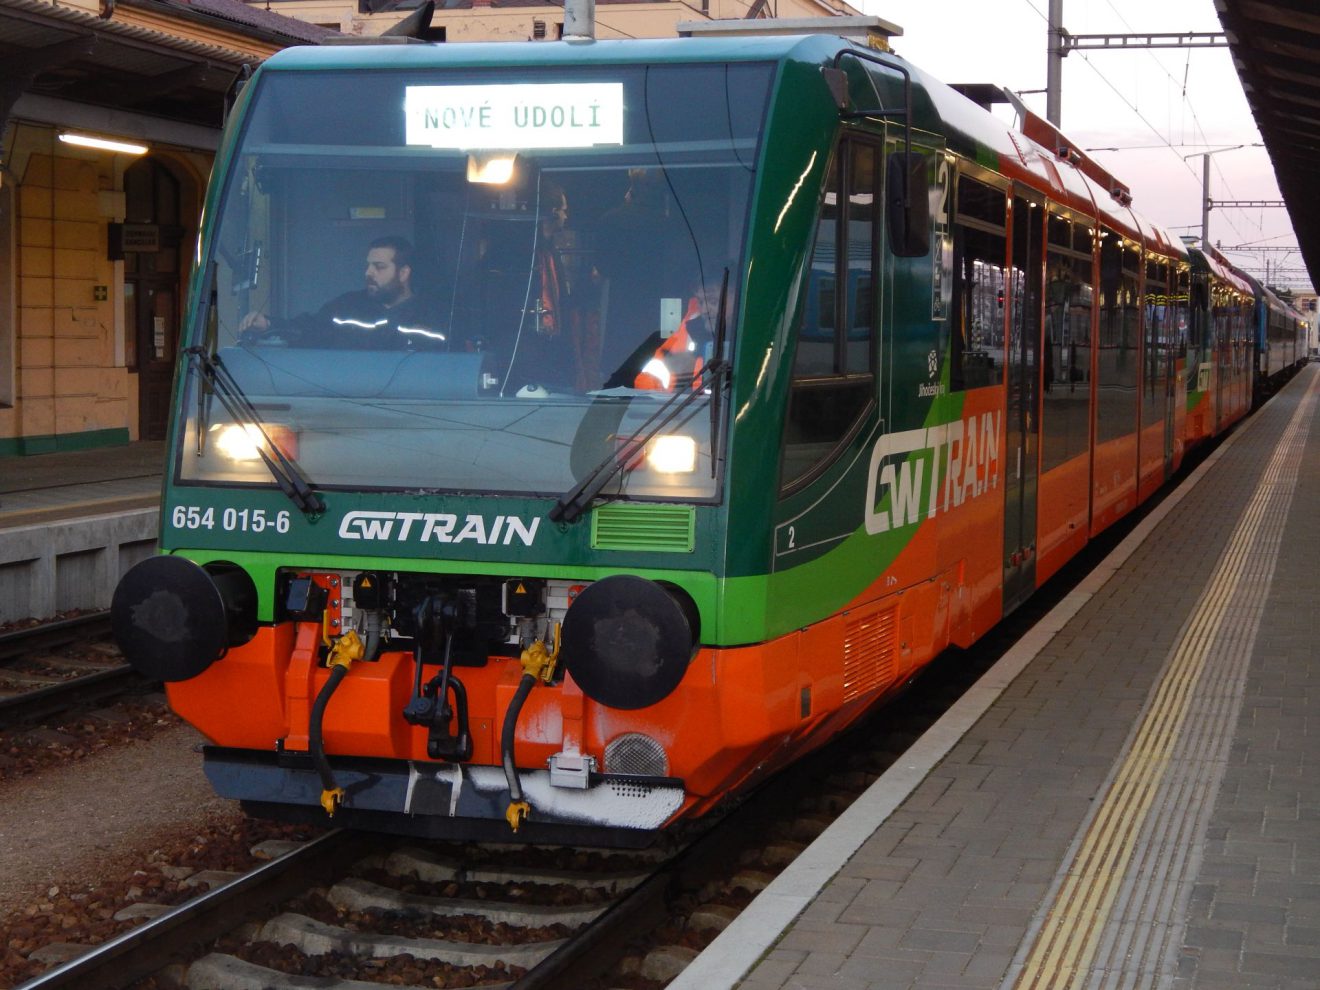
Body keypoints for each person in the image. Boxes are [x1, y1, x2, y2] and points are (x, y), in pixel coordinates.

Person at [239, 237, 445, 349]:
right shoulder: (347, 306)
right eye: (368, 266)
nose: (369, 273)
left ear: (403, 273)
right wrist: (269, 324)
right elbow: (309, 329)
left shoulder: (432, 315)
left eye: (379, 267)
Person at [633, 276, 727, 392]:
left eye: (713, 301)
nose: (704, 310)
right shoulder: (686, 333)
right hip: (683, 408)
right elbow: (647, 387)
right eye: (701, 302)